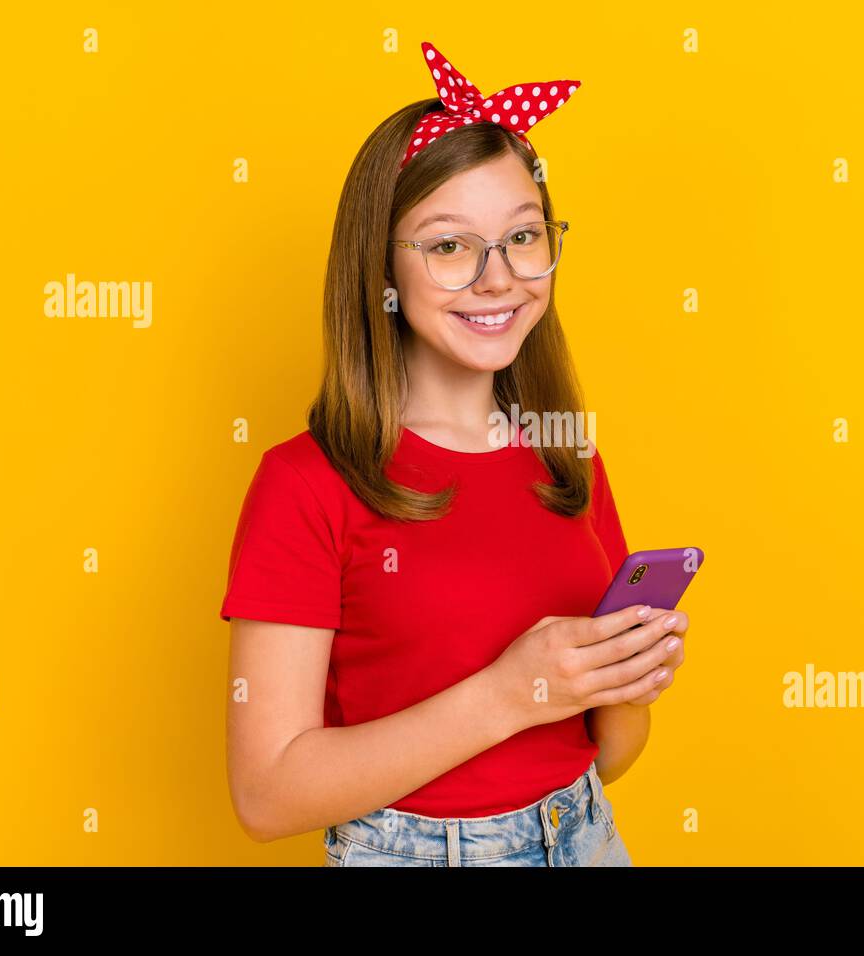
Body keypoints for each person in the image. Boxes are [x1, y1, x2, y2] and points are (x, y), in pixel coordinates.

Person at [219, 42, 689, 866]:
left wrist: (623, 683)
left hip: (583, 837)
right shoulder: (306, 485)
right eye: (449, 246)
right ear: (380, 269)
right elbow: (265, 794)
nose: (498, 278)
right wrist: (510, 692)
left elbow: (605, 754)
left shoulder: (564, 458)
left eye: (523, 237)